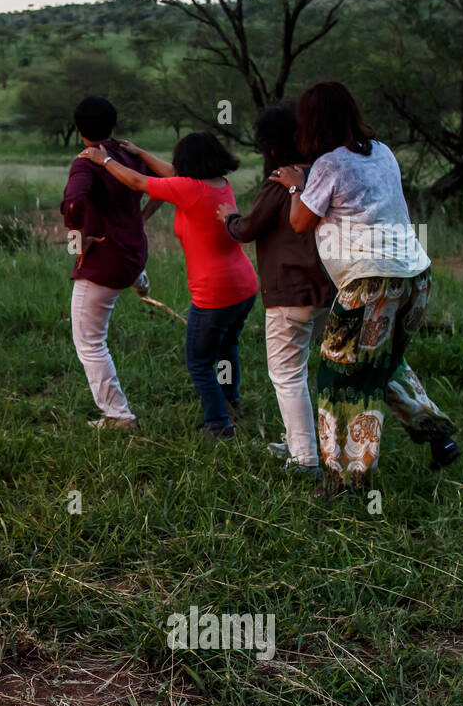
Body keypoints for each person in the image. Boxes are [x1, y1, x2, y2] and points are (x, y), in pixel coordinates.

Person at [271, 81, 459, 494]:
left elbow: (300, 222)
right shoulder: (382, 151)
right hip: (415, 276)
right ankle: (438, 433)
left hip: (369, 283)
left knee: (342, 379)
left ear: (312, 122)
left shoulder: (328, 165)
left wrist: (292, 185)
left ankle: (347, 480)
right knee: (384, 364)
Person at [79, 131, 259, 439]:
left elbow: (137, 183)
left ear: (188, 162)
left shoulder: (189, 189)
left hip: (215, 293)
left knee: (200, 361)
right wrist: (142, 151)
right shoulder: (219, 184)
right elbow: (171, 174)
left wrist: (104, 159)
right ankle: (231, 404)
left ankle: (218, 426)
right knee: (227, 348)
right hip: (244, 287)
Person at [217, 103, 336, 474]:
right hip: (328, 289)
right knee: (303, 370)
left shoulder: (279, 181)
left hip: (289, 291)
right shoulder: (321, 173)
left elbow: (247, 229)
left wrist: (228, 218)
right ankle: (298, 441)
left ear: (269, 146)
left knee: (286, 375)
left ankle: (304, 458)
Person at [60, 96, 158, 430]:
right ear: (113, 124)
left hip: (106, 260)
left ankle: (118, 415)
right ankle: (139, 280)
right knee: (126, 272)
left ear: (77, 129)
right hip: (133, 250)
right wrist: (140, 217)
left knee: (88, 341)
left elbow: (72, 205)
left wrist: (78, 241)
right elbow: (160, 186)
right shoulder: (128, 153)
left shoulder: (86, 162)